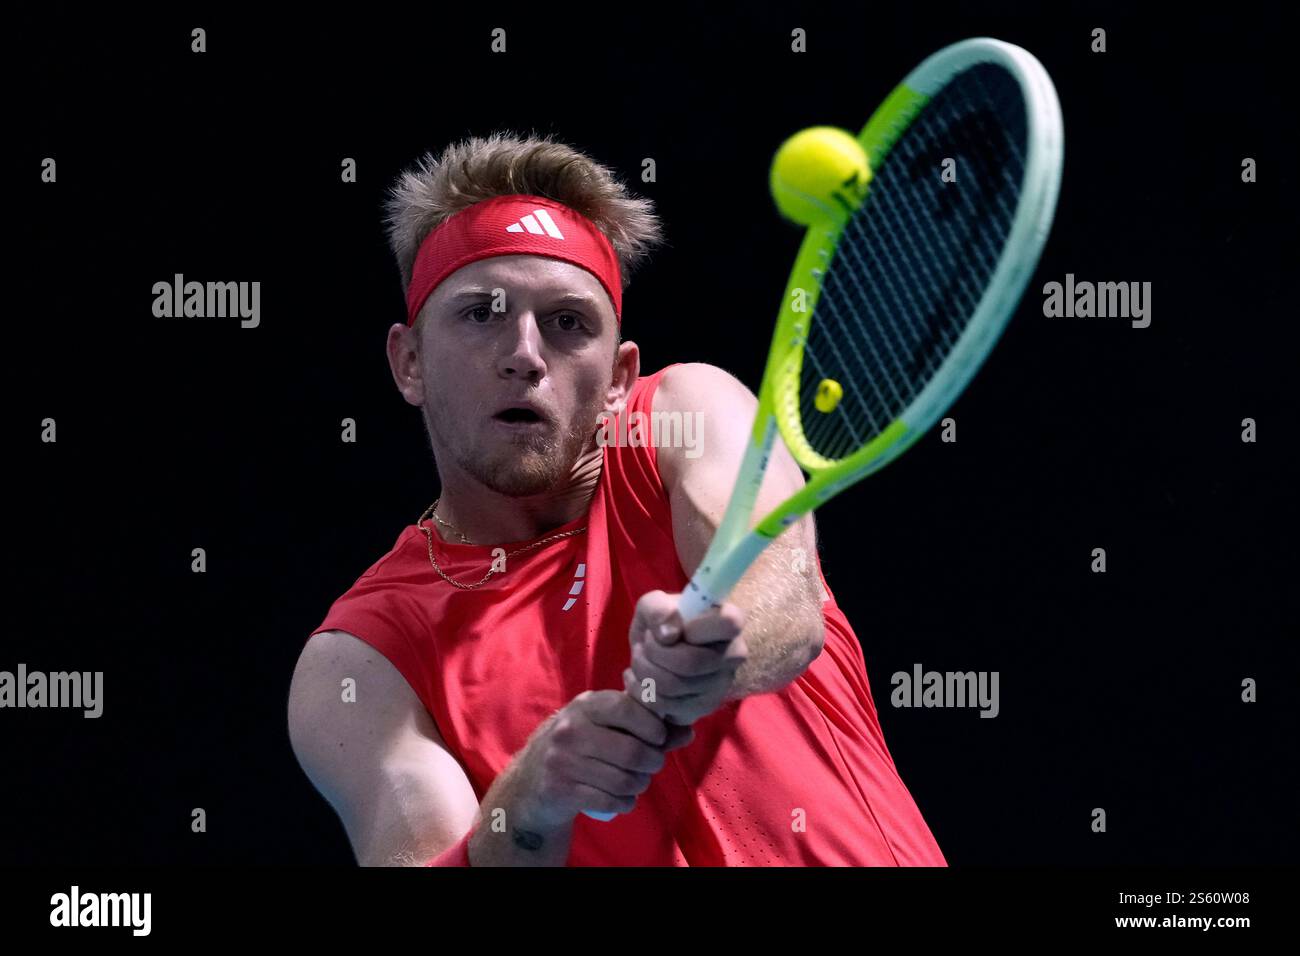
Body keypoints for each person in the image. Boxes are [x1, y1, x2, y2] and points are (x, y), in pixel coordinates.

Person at [287, 131, 946, 867]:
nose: (525, 355)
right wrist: (531, 794)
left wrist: (712, 650)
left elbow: (783, 595)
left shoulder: (683, 414)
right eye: (483, 314)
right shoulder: (362, 658)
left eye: (567, 323)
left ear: (620, 377)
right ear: (408, 362)